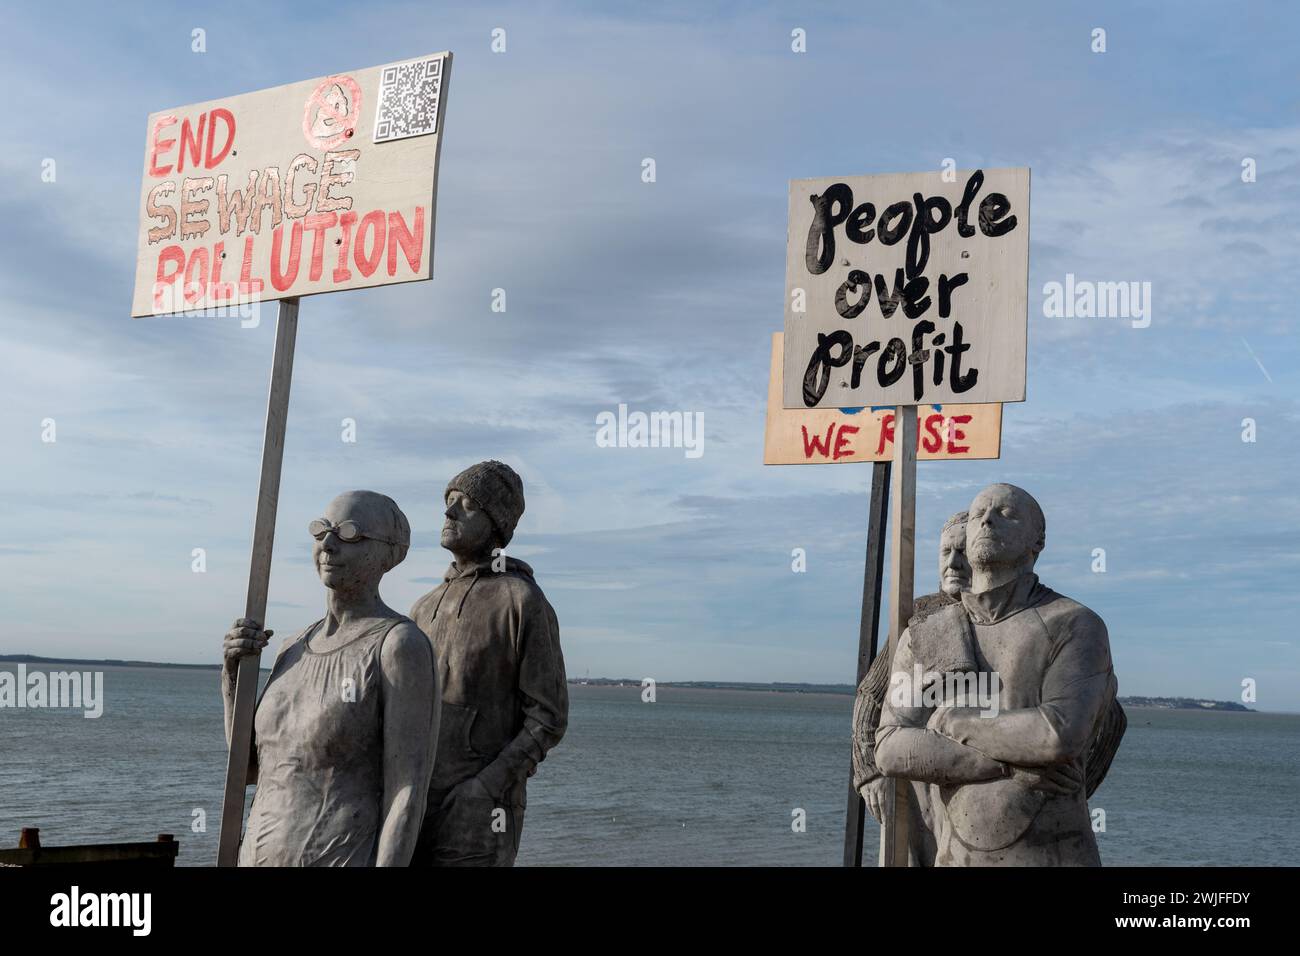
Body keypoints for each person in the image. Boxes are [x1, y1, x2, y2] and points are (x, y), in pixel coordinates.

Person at [875, 483, 1120, 866]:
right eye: (977, 514)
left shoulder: (1074, 624)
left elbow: (1057, 733)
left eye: (1006, 513)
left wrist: (952, 721)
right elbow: (889, 746)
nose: (987, 519)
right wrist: (1009, 764)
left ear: (1037, 541)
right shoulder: (927, 633)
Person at [221, 490, 439, 866]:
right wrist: (232, 679)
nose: (328, 544)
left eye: (350, 533)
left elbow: (407, 792)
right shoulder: (290, 648)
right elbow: (248, 772)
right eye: (321, 530)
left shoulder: (398, 646)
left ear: (388, 553)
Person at [410, 461, 568, 866]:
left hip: (481, 814)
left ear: (496, 523)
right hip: (411, 806)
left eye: (467, 505)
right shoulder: (422, 609)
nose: (449, 513)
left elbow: (548, 718)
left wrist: (486, 786)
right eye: (448, 502)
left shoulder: (522, 601)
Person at [852, 511, 969, 866]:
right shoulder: (920, 614)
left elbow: (1108, 722)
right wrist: (869, 771)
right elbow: (871, 696)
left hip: (980, 788)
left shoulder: (1017, 621)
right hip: (914, 784)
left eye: (963, 550)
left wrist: (1067, 790)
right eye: (946, 551)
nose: (953, 561)